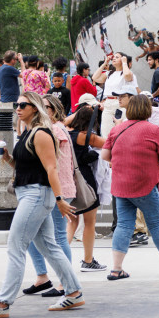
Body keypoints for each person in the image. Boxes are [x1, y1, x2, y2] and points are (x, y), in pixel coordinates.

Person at [0, 92, 85, 318]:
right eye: (17, 105)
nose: (18, 109)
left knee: (16, 246)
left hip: (37, 195)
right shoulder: (28, 133)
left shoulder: (42, 133)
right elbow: (26, 167)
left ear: (34, 108)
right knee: (49, 247)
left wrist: (60, 200)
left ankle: (2, 304)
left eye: (23, 105)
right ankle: (73, 292)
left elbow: (51, 169)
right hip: (30, 194)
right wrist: (7, 157)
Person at [100, 95, 159, 281]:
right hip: (145, 185)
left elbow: (105, 156)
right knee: (156, 223)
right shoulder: (154, 130)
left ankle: (116, 268)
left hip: (121, 186)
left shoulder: (116, 130)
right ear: (147, 110)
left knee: (124, 225)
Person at [23, 95, 79, 298]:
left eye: (44, 107)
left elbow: (48, 162)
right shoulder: (46, 130)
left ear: (53, 111)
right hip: (53, 189)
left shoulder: (55, 130)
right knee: (33, 234)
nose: (39, 111)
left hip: (59, 190)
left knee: (57, 236)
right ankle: (43, 277)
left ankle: (65, 283)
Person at [66, 103, 106, 272]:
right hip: (85, 179)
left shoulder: (66, 132)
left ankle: (61, 257)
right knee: (90, 222)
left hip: (69, 178)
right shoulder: (85, 136)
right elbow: (108, 143)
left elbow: (62, 120)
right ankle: (88, 260)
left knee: (71, 222)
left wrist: (79, 112)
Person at [91, 53, 137, 134]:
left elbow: (127, 75)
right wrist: (105, 63)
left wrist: (124, 62)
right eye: (113, 57)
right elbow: (95, 77)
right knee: (106, 131)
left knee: (120, 131)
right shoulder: (109, 73)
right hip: (108, 104)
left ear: (123, 59)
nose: (114, 59)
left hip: (120, 103)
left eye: (117, 57)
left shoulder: (127, 72)